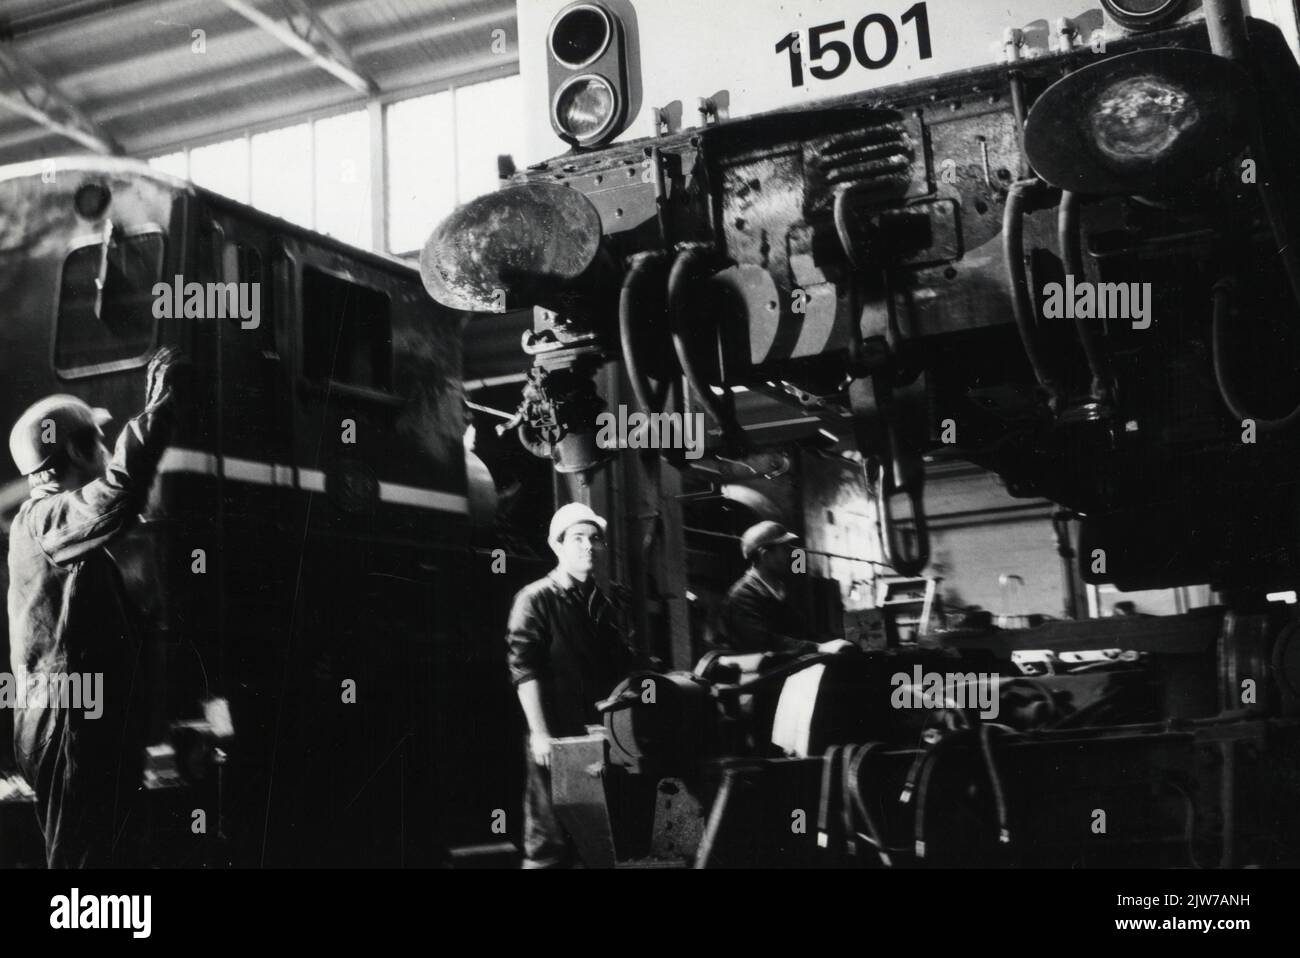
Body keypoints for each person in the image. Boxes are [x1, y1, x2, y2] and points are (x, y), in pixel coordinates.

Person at [6, 346, 178, 867]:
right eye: (98, 440)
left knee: (102, 855)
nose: (105, 449)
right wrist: (158, 410)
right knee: (84, 863)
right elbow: (120, 493)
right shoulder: (44, 520)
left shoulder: (63, 531)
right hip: (68, 726)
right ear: (76, 453)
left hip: (79, 721)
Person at [505, 502, 637, 868]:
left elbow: (620, 670)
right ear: (557, 545)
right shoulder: (536, 599)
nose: (587, 546)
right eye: (577, 538)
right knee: (548, 842)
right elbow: (524, 670)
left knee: (594, 838)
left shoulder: (602, 605)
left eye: (595, 539)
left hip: (597, 736)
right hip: (557, 738)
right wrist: (540, 734)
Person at [717, 520, 852, 656]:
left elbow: (803, 633)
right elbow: (763, 642)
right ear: (765, 555)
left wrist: (835, 643)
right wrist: (818, 647)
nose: (790, 555)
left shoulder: (780, 590)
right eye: (784, 549)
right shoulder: (742, 596)